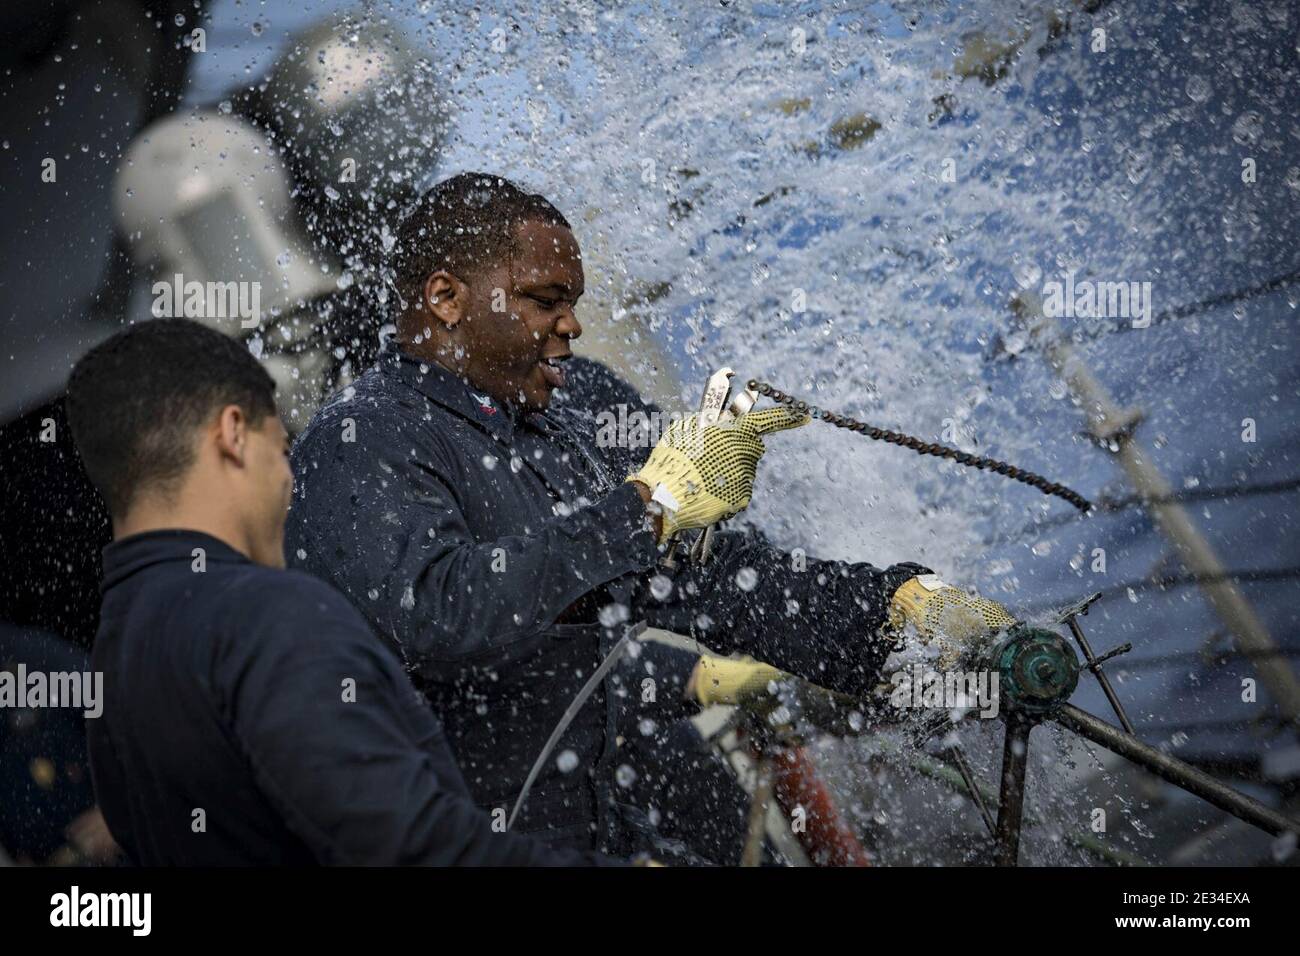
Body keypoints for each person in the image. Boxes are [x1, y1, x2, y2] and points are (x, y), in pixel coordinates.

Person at [285, 172, 1017, 863]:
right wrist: (646, 512)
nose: (571, 323)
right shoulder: (361, 439)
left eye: (572, 300)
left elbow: (702, 576)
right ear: (446, 297)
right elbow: (434, 612)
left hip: (604, 828)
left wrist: (892, 612)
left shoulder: (555, 423)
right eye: (545, 299)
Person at [65, 318, 615, 865]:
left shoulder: (112, 671)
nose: (288, 485)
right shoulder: (267, 617)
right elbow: (419, 850)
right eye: (281, 451)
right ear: (233, 434)